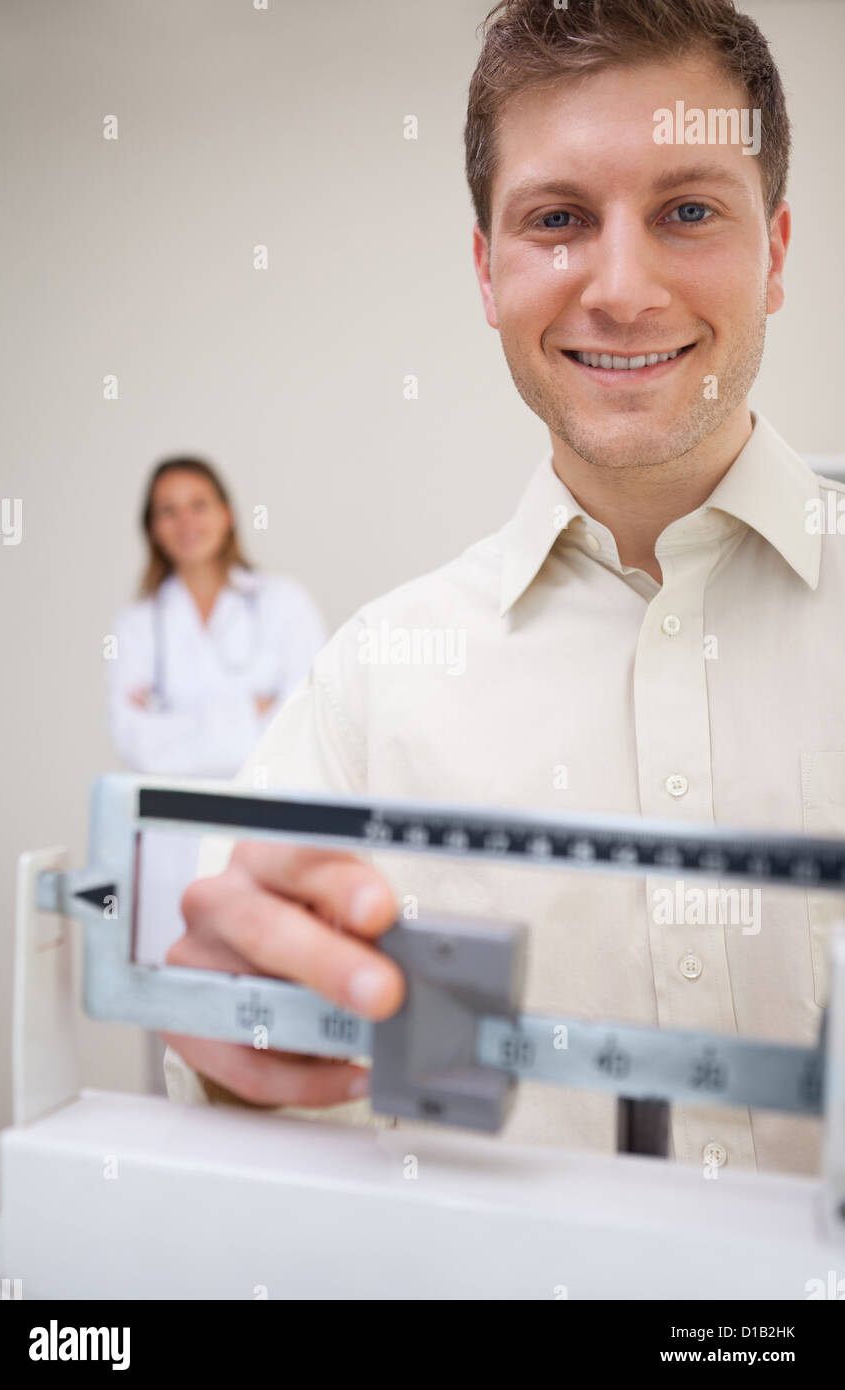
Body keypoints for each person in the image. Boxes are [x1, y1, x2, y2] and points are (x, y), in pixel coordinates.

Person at [161, 0, 843, 1175]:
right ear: (486, 270)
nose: (620, 289)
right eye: (557, 219)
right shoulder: (374, 683)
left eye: (687, 210)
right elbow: (232, 1056)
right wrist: (234, 1035)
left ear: (773, 251)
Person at [106, 457, 326, 1083]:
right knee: (171, 1035)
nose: (185, 521)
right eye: (167, 510)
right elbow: (138, 745)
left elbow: (299, 724)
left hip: (258, 840)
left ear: (226, 514)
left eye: (197, 503)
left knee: (262, 1033)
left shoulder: (283, 604)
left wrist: (183, 719)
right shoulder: (137, 623)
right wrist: (244, 712)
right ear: (152, 528)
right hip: (168, 851)